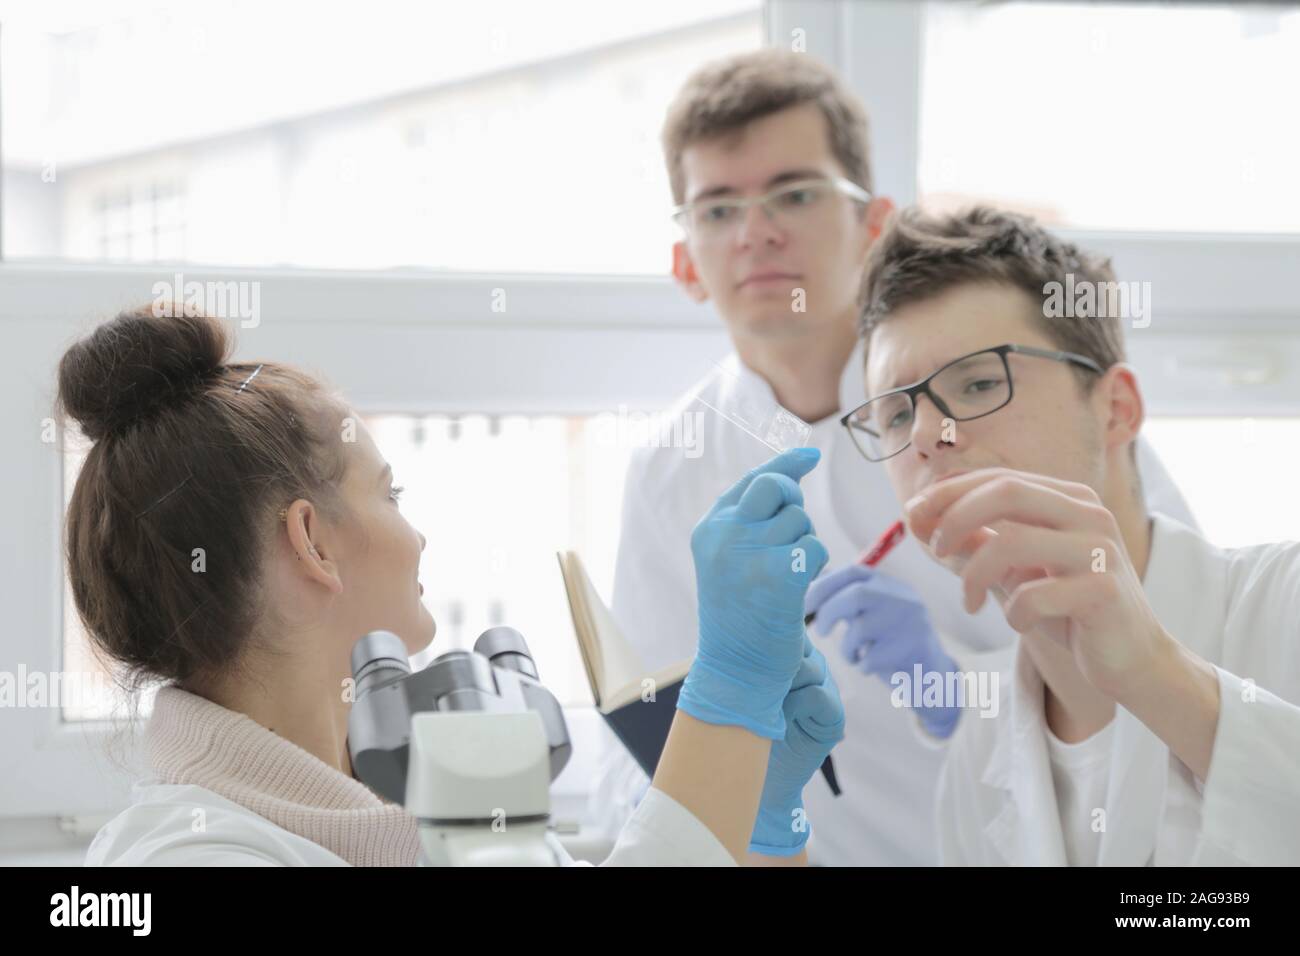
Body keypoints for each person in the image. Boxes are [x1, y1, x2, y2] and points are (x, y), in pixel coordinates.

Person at [593, 49, 1194, 865]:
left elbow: (1184, 644)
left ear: (873, 225)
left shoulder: (1009, 387)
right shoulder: (670, 470)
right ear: (685, 264)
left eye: (796, 194)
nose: (758, 232)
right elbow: (649, 752)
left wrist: (954, 685)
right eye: (718, 209)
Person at [68, 305, 843, 866]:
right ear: (313, 542)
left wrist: (762, 825)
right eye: (391, 495)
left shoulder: (433, 801)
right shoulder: (189, 857)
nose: (418, 537)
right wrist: (731, 694)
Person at [850, 205, 1300, 865]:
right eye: (894, 414)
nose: (924, 435)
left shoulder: (1283, 605)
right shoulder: (977, 757)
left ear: (1117, 409)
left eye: (976, 382)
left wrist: (1155, 675)